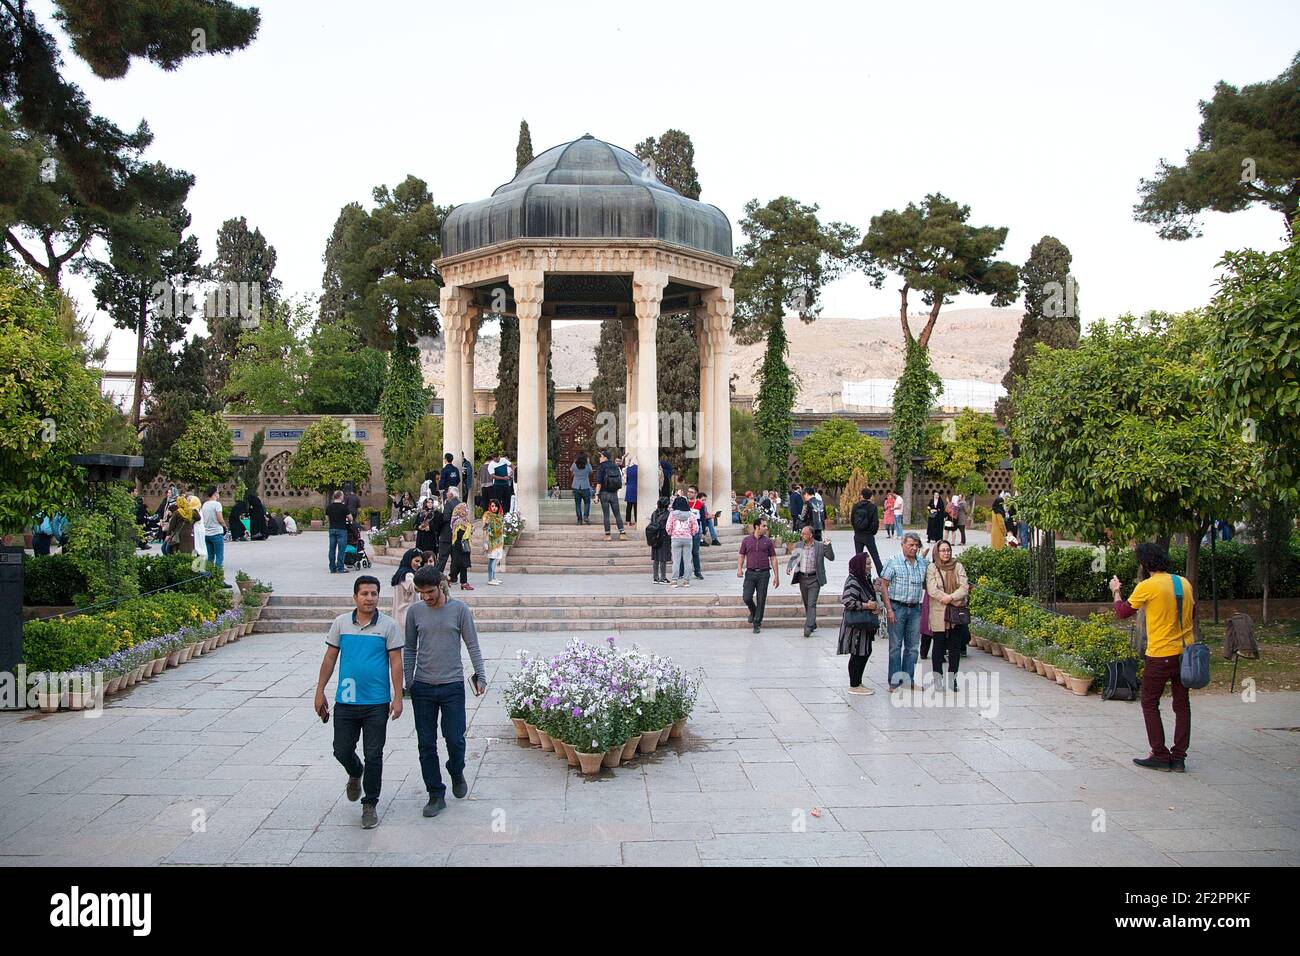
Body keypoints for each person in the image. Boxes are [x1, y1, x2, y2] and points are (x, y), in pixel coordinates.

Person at [313, 574, 403, 829]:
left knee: (374, 754)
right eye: (364, 593)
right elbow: (330, 658)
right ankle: (354, 771)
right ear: (355, 597)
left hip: (376, 702)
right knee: (341, 749)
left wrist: (397, 697)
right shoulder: (341, 623)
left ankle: (370, 803)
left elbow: (396, 662)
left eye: (374, 593)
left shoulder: (388, 626)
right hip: (347, 700)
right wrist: (320, 691)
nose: (370, 598)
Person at [405, 565, 487, 818]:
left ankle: (456, 768)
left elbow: (472, 644)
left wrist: (480, 675)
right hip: (423, 687)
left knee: (455, 738)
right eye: (421, 593)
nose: (426, 597)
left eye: (429, 592)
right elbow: (409, 649)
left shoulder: (459, 610)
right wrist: (409, 681)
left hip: (452, 685)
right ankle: (435, 794)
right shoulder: (415, 612)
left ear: (440, 586)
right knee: (426, 744)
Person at [1110, 543, 1195, 772]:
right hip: (1184, 654)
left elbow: (1122, 612)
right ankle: (1179, 757)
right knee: (1182, 705)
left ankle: (1159, 753)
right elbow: (1192, 614)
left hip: (1160, 654)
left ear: (1144, 563)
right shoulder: (1183, 583)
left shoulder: (1147, 586)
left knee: (1149, 702)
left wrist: (1116, 590)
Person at [878, 532, 929, 692]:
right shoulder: (894, 561)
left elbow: (926, 585)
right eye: (910, 545)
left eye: (916, 545)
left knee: (913, 647)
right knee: (895, 646)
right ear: (903, 545)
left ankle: (909, 680)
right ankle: (894, 682)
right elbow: (884, 585)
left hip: (914, 608)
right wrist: (889, 609)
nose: (914, 548)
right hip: (897, 607)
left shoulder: (922, 563)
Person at [926, 540, 970, 691]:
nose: (946, 553)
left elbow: (964, 587)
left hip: (955, 611)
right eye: (943, 550)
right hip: (939, 611)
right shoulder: (932, 568)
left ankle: (953, 679)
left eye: (948, 550)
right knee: (938, 646)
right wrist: (945, 597)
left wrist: (951, 598)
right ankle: (937, 679)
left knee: (955, 647)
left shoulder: (958, 566)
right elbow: (932, 589)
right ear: (937, 552)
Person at [840, 553, 881, 695]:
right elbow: (847, 601)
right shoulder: (853, 581)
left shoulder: (864, 580)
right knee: (858, 652)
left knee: (865, 651)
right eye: (867, 564)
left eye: (870, 564)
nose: (870, 567)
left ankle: (858, 681)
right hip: (856, 626)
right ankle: (854, 684)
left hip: (865, 625)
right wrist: (866, 606)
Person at [787, 525, 835, 637]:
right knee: (806, 603)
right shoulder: (799, 545)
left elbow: (831, 557)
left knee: (811, 603)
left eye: (804, 534)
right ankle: (812, 623)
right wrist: (790, 566)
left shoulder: (819, 546)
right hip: (803, 578)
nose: (802, 535)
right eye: (802, 533)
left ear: (811, 535)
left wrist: (828, 545)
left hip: (815, 579)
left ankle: (808, 626)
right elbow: (793, 558)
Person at [737, 515, 780, 633]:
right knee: (746, 597)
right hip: (750, 573)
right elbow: (741, 555)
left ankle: (757, 623)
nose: (766, 528)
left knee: (761, 598)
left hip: (764, 573)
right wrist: (739, 569)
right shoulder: (746, 540)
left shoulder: (768, 541)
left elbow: (773, 558)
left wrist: (777, 576)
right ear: (757, 527)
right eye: (764, 526)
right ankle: (753, 611)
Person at [665, 494, 698, 588]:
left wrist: (671, 533)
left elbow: (668, 527)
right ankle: (686, 581)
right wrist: (692, 533)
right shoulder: (690, 514)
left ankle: (674, 581)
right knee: (687, 561)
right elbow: (695, 527)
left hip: (675, 538)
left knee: (676, 561)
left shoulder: (672, 514)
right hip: (688, 539)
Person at [391, 548, 426, 632]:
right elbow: (414, 587)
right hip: (406, 616)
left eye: (420, 562)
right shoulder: (408, 574)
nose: (418, 564)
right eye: (416, 561)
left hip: (399, 615)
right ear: (409, 559)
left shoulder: (400, 573)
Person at [594, 450, 626, 541]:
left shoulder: (601, 467)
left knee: (606, 515)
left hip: (604, 493)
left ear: (605, 458)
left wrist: (596, 495)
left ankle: (608, 535)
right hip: (614, 493)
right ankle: (622, 533)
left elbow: (599, 482)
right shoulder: (615, 466)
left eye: (601, 456)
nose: (599, 458)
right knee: (617, 514)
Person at [850, 489, 883, 574]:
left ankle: (858, 575)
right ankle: (882, 575)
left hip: (858, 535)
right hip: (868, 535)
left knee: (858, 557)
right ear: (870, 496)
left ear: (861, 496)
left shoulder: (856, 506)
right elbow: (875, 522)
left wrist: (856, 530)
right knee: (875, 557)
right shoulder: (872, 507)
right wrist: (872, 532)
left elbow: (852, 520)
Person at [200, 485, 227, 569]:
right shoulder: (217, 504)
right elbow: (220, 518)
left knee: (210, 556)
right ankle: (217, 574)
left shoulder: (204, 505)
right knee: (219, 556)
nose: (218, 494)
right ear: (215, 493)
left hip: (207, 533)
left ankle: (209, 574)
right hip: (216, 532)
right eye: (218, 492)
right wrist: (224, 525)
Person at [448, 500, 474, 590]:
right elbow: (458, 534)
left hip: (464, 544)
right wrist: (468, 530)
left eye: (466, 509)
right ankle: (461, 581)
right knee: (461, 564)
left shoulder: (465, 520)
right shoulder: (458, 521)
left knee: (463, 564)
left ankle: (457, 580)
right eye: (463, 509)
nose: (465, 511)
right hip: (459, 545)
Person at [646, 495, 672, 585]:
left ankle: (655, 577)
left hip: (654, 538)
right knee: (663, 559)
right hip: (664, 537)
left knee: (656, 558)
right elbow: (668, 526)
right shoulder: (668, 514)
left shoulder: (654, 513)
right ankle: (663, 577)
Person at [325, 490, 351, 574]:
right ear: (340, 497)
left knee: (332, 549)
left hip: (332, 529)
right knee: (341, 549)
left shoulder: (329, 507)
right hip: (341, 529)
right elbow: (350, 518)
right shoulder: (344, 507)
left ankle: (332, 568)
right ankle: (340, 567)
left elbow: (327, 519)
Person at [435, 487, 458, 574]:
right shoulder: (460, 504)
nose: (446, 493)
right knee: (455, 558)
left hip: (447, 533)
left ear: (451, 494)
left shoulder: (449, 504)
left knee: (442, 557)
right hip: (457, 534)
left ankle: (437, 575)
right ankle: (453, 576)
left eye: (448, 492)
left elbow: (446, 518)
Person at [482, 500, 505, 585]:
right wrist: (485, 542)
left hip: (498, 541)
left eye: (495, 506)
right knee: (492, 560)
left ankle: (494, 577)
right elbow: (485, 529)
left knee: (495, 560)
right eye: (492, 506)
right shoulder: (487, 515)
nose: (494, 508)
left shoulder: (499, 516)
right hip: (491, 541)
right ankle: (490, 579)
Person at [570, 452, 593, 525]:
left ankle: (579, 520)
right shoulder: (587, 466)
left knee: (577, 504)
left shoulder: (574, 465)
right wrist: (588, 463)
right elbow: (591, 472)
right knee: (587, 502)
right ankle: (585, 516)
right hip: (585, 486)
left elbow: (571, 470)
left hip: (576, 487)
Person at [624, 458, 638, 527]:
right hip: (636, 489)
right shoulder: (638, 469)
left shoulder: (628, 469)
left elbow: (625, 480)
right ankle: (636, 521)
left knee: (629, 506)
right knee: (636, 507)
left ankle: (628, 521)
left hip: (629, 488)